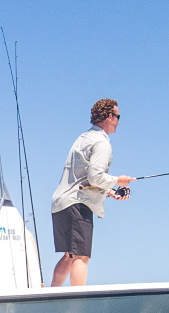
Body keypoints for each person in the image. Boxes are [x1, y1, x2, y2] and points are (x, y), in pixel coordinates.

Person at [50, 98, 134, 287]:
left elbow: (84, 177)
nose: (119, 121)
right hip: (77, 205)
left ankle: (52, 295)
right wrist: (118, 180)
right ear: (109, 116)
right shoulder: (102, 143)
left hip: (61, 203)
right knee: (82, 256)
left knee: (69, 255)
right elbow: (96, 177)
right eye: (118, 116)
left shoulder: (84, 138)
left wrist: (111, 191)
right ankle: (78, 302)